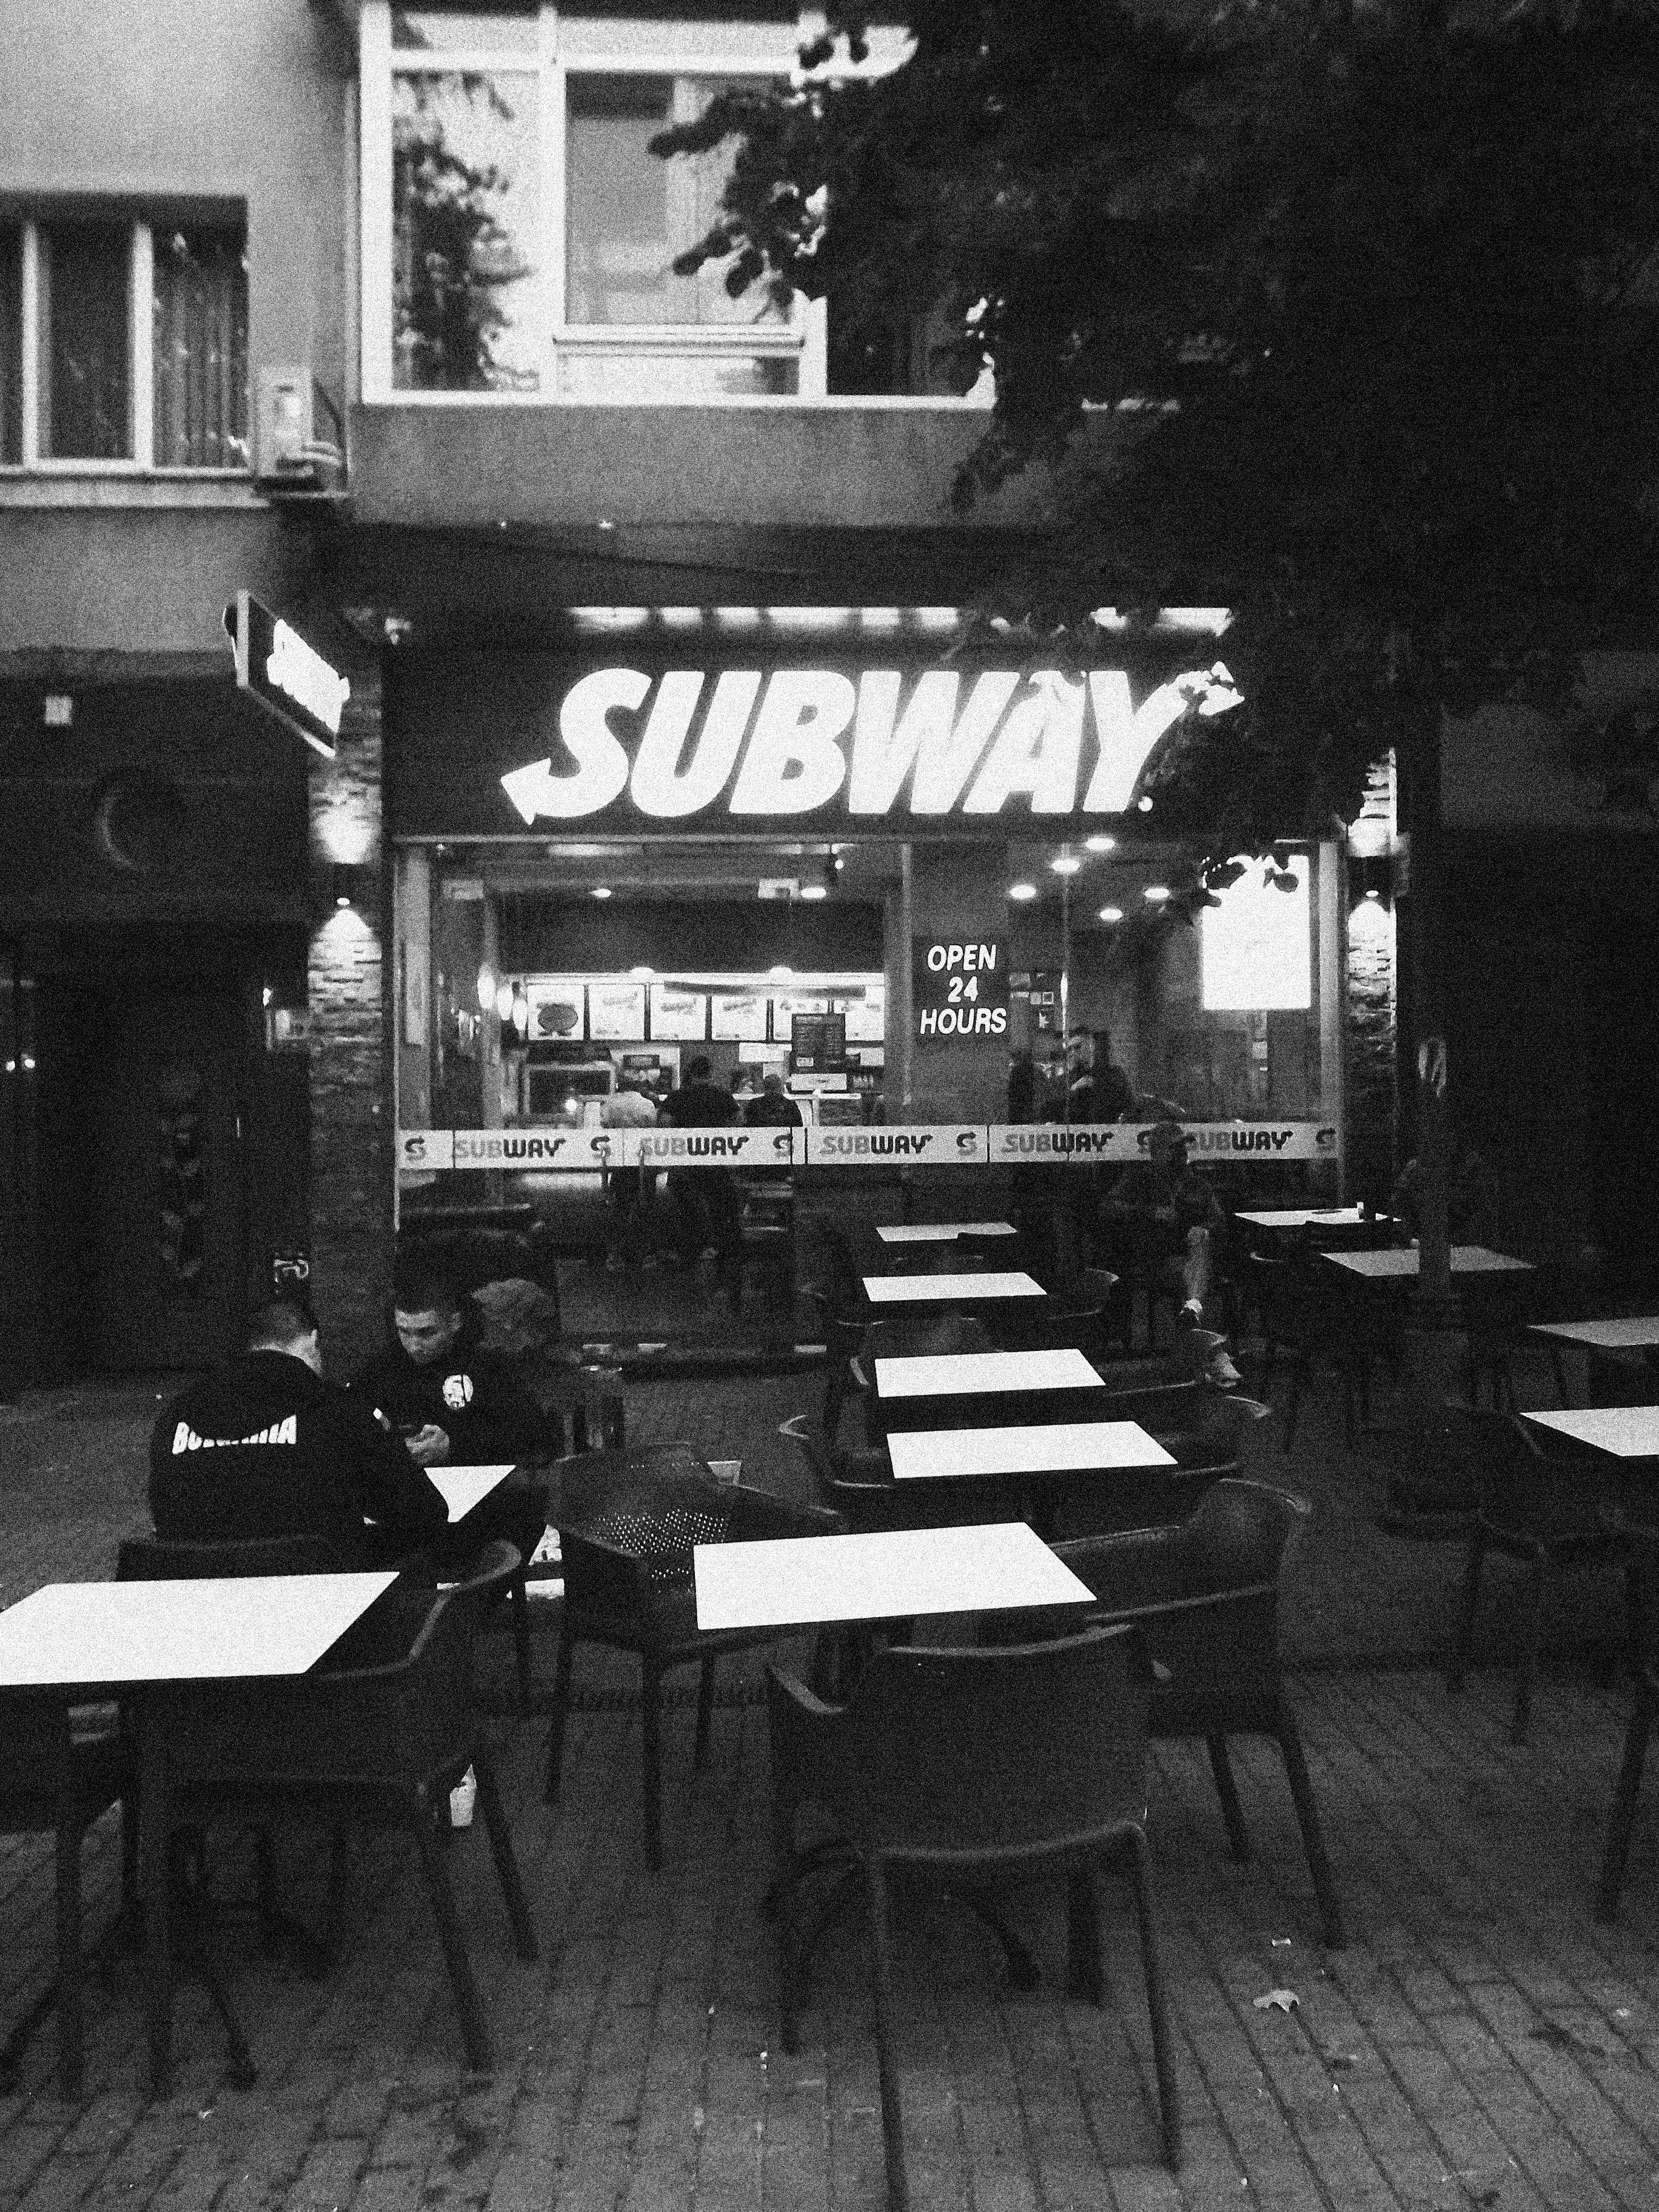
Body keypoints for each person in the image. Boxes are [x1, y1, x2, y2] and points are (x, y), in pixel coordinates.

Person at [149, 1293, 449, 1567]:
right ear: (314, 1341)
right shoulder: (336, 1409)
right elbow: (424, 1513)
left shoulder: (175, 1416)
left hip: (197, 1600)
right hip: (320, 1603)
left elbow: (163, 1521)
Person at [349, 1258, 551, 1569]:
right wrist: (385, 1441)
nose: (414, 1345)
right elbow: (348, 1438)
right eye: (404, 1331)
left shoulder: (489, 1367)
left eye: (426, 1333)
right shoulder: (378, 1372)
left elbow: (529, 1438)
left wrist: (453, 1446)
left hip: (484, 1510)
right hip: (406, 1514)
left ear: (454, 1323)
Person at [1101, 1118, 1241, 1388]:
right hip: (1155, 1259)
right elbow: (1107, 1209)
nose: (1180, 1154)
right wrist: (1147, 1212)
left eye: (1182, 1149)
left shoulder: (1196, 1183)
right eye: (1172, 1149)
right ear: (1156, 1153)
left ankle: (1196, 1319)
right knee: (1195, 1275)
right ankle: (1212, 1351)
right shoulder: (1139, 1180)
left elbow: (1218, 1220)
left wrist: (1203, 1228)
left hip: (1193, 1258)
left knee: (1199, 1250)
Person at [659, 1054, 743, 1298]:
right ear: (709, 1073)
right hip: (716, 1165)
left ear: (690, 1074)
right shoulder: (721, 1095)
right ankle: (723, 1263)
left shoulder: (677, 1096)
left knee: (686, 1211)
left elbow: (664, 1124)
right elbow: (739, 1122)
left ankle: (688, 1260)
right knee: (722, 1213)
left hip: (684, 1167)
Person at [600, 1074, 660, 1270]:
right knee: (645, 1207)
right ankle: (644, 1255)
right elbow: (653, 1128)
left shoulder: (610, 1104)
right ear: (638, 1088)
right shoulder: (647, 1105)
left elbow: (605, 1126)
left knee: (620, 1208)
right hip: (643, 1164)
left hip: (620, 1164)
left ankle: (616, 1254)